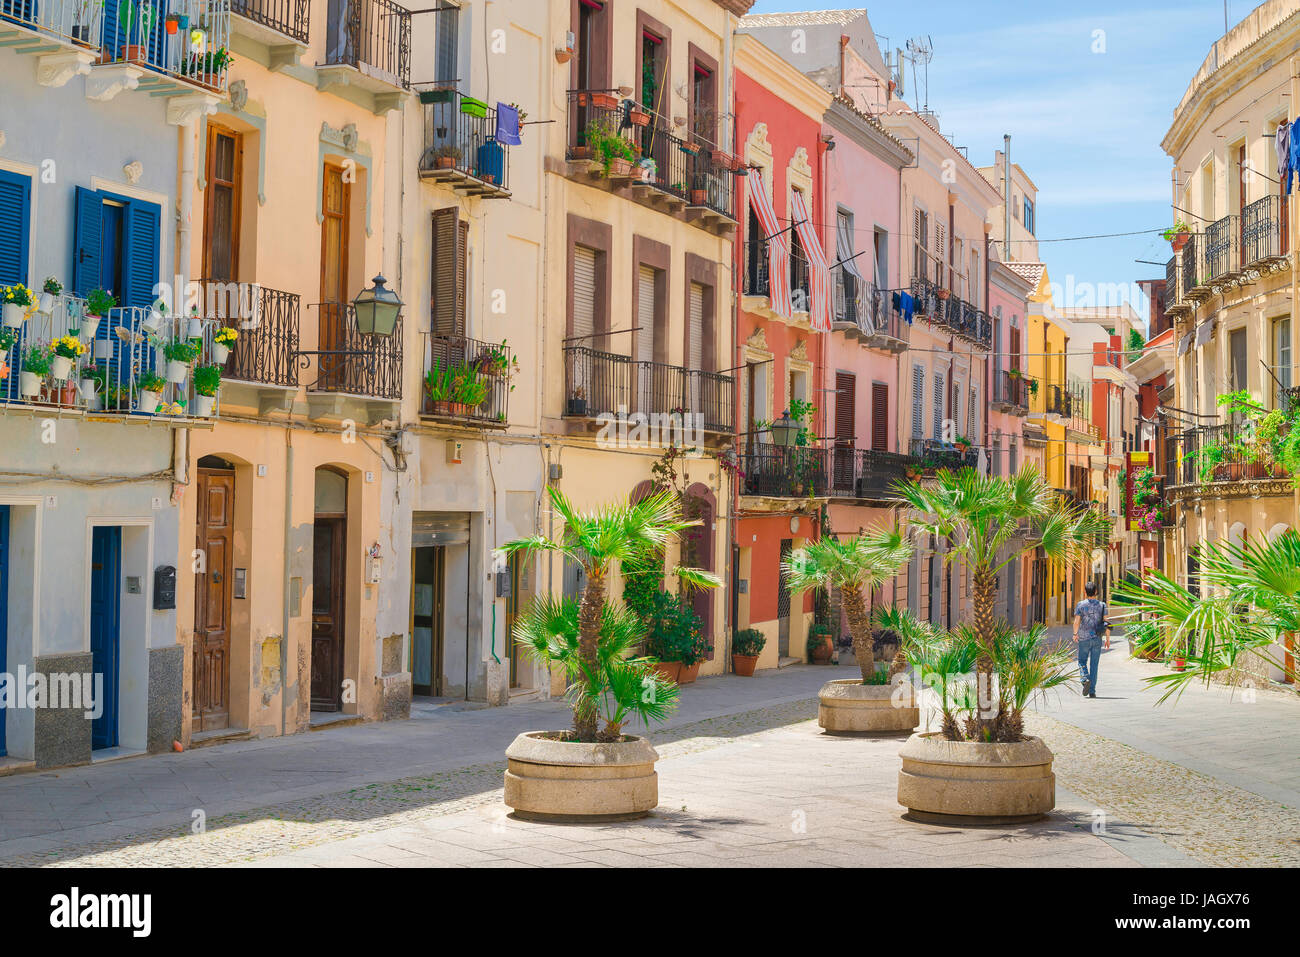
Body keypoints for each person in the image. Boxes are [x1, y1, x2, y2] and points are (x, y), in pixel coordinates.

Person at [1073, 580, 1111, 698]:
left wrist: (1075, 634)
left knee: (1081, 661)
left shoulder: (1080, 605)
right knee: (1094, 664)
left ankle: (1085, 678)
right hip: (1097, 638)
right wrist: (1108, 639)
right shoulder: (1102, 605)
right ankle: (1092, 691)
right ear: (1096, 592)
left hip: (1084, 638)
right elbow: (1106, 623)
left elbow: (1076, 621)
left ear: (1085, 592)